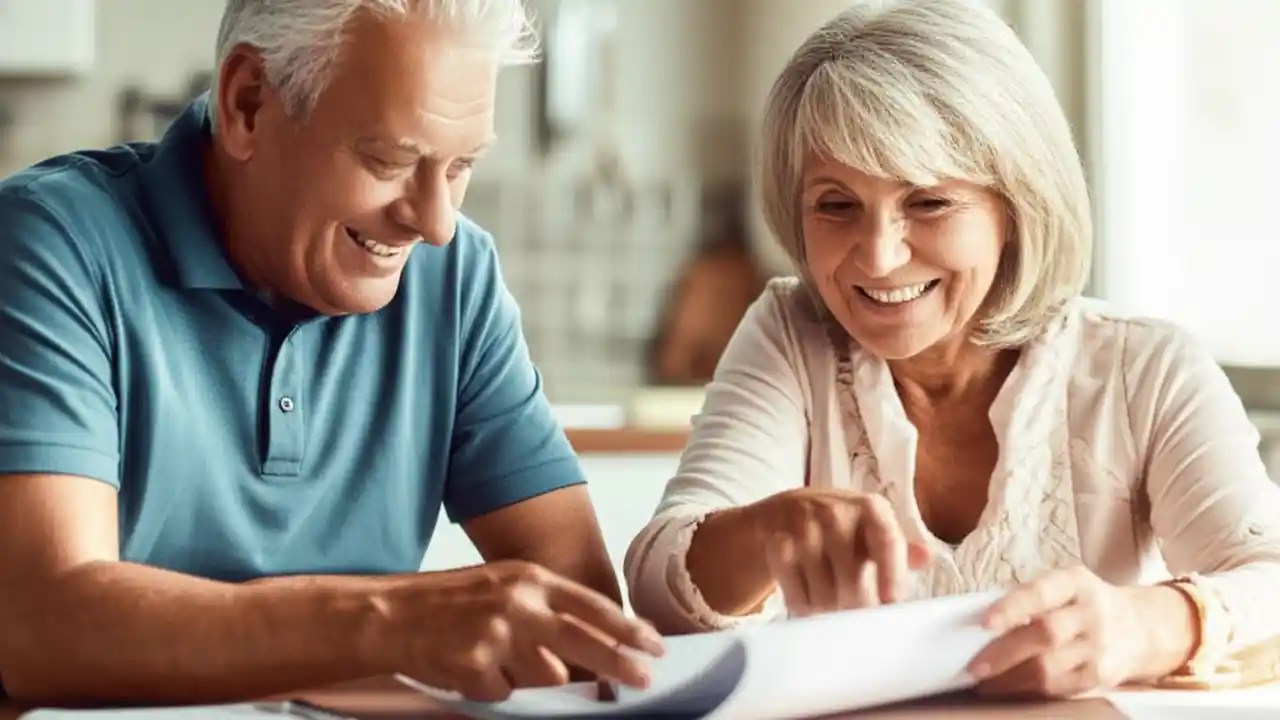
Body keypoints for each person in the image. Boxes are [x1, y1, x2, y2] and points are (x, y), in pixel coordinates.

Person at [0, 0, 663, 705]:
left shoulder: (457, 275)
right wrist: (388, 622)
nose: (435, 224)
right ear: (248, 103)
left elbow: (580, 615)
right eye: (389, 160)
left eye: (462, 164)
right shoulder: (51, 245)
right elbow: (42, 627)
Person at [626, 0, 1280, 700]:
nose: (878, 258)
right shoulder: (792, 333)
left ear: (1015, 206)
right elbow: (656, 587)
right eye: (837, 205)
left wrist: (1142, 625)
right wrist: (765, 532)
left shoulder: (1143, 367)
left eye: (930, 202)